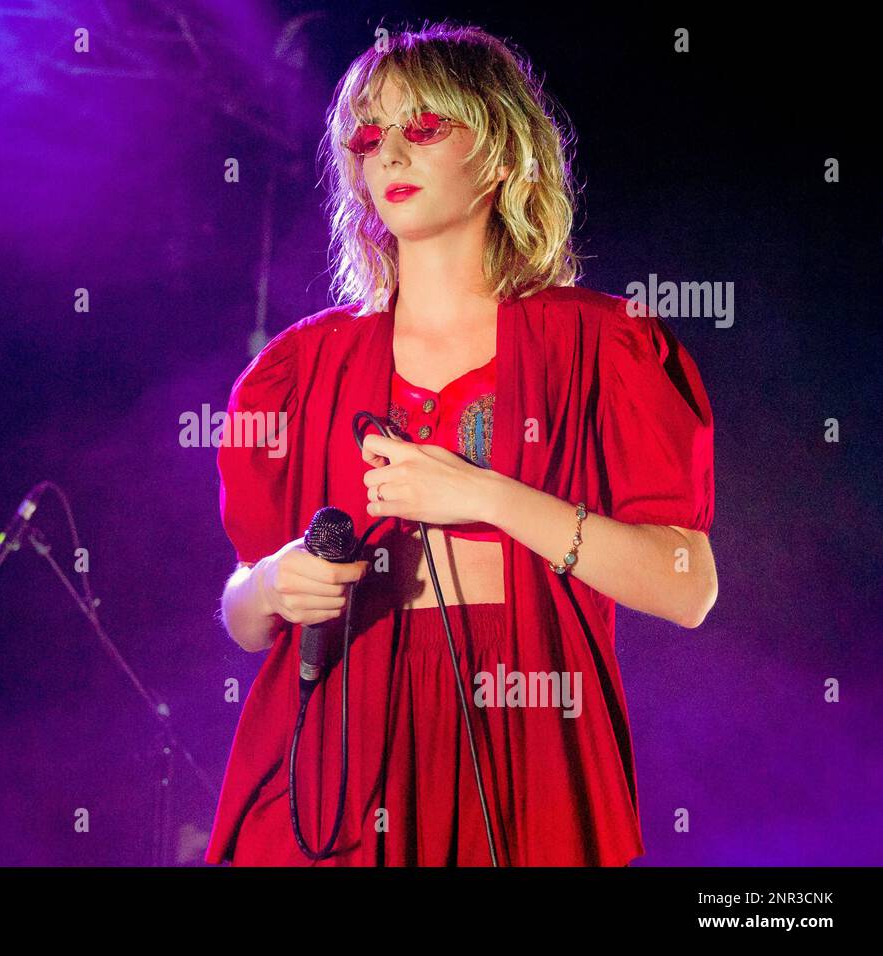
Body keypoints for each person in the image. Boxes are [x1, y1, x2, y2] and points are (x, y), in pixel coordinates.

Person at [206, 21, 717, 867]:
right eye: (370, 137)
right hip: (342, 742)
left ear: (506, 151)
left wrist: (488, 496)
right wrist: (269, 582)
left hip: (520, 732)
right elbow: (243, 618)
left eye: (426, 127)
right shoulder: (300, 367)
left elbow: (686, 586)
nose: (392, 155)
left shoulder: (602, 344)